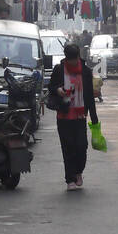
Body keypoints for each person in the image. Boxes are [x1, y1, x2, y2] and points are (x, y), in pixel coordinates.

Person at [48, 42, 99, 191]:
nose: (72, 63)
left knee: (82, 146)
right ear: (66, 58)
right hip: (64, 116)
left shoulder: (85, 71)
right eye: (70, 60)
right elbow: (51, 87)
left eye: (74, 59)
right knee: (68, 147)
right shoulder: (59, 70)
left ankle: (78, 172)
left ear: (78, 57)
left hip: (80, 116)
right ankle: (69, 178)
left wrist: (94, 118)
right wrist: (58, 90)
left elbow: (89, 96)